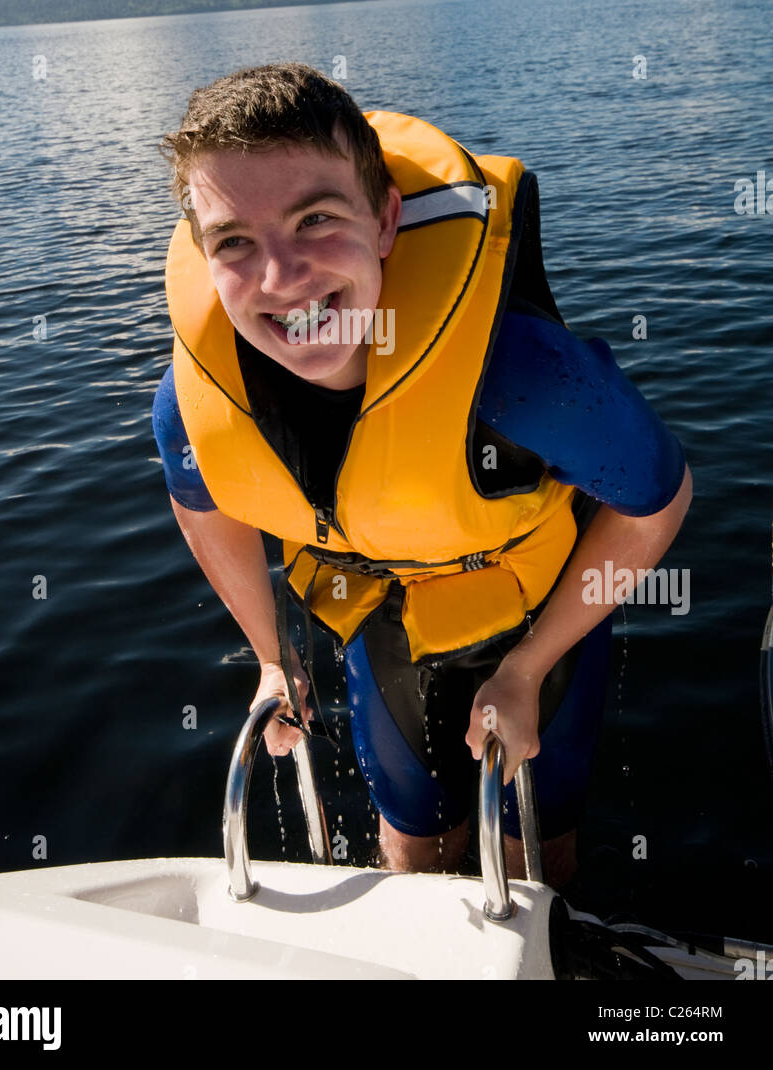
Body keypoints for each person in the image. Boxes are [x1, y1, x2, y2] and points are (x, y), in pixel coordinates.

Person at [153, 62, 692, 887]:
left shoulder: (521, 375)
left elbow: (656, 503)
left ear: (384, 222)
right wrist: (270, 655)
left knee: (533, 858)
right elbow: (205, 505)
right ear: (203, 253)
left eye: (315, 219)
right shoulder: (192, 402)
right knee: (405, 849)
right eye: (234, 242)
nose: (280, 277)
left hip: (533, 614)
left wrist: (527, 668)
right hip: (381, 620)